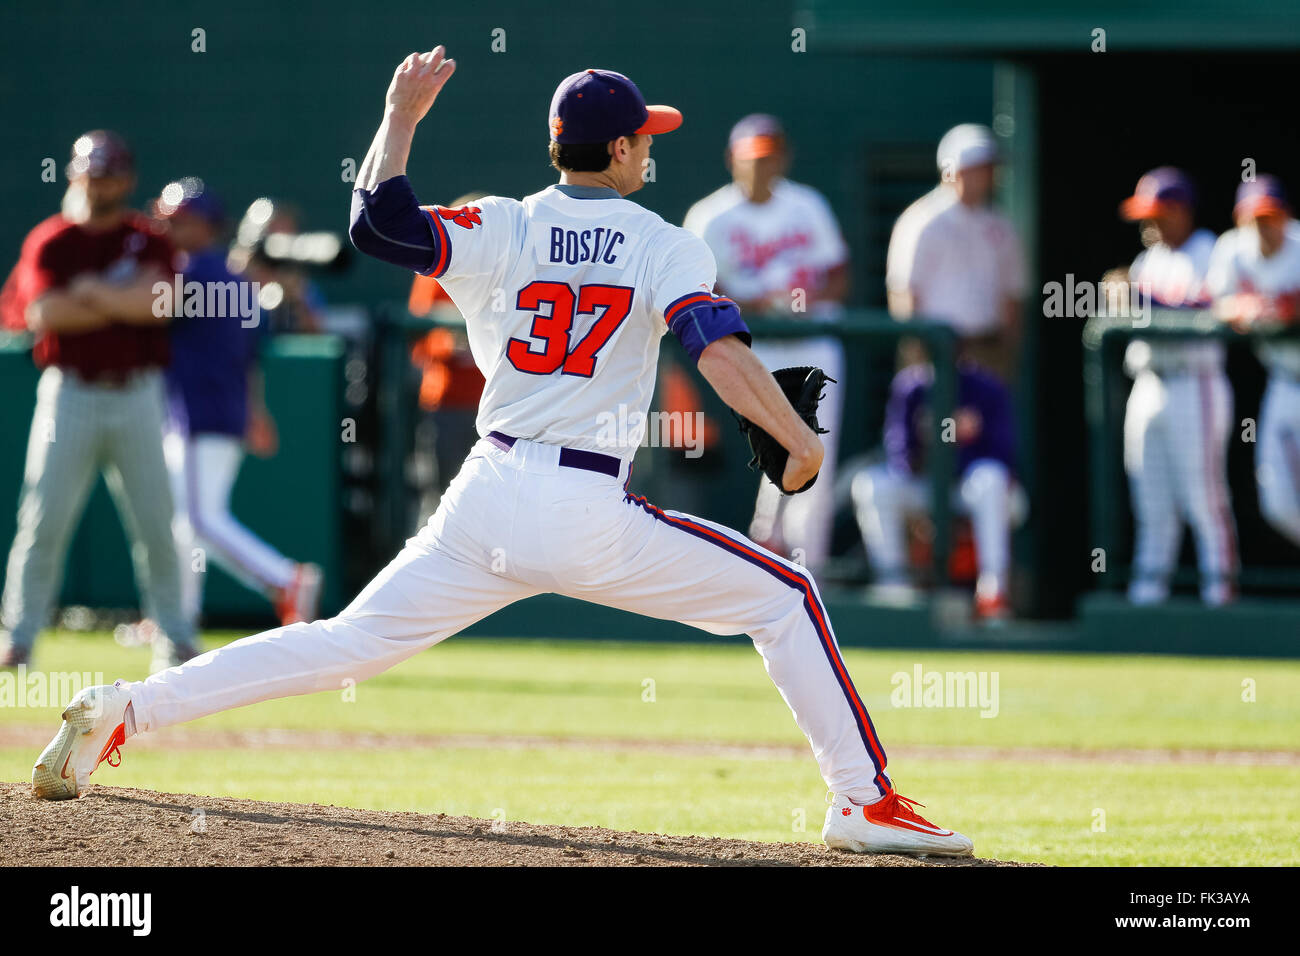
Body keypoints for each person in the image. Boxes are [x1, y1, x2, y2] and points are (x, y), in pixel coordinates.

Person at [31, 50, 972, 858]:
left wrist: (397, 119)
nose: (653, 146)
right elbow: (718, 351)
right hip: (585, 505)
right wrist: (796, 437)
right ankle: (861, 796)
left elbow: (377, 225)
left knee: (346, 643)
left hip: (485, 492)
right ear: (617, 149)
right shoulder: (661, 241)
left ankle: (125, 708)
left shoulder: (503, 223)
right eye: (645, 135)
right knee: (788, 597)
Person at [0, 131, 198, 669]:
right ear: (73, 174)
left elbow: (159, 306)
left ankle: (174, 636)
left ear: (128, 179)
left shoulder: (147, 238)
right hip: (70, 388)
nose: (100, 181)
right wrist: (119, 300)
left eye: (110, 173)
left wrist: (87, 292)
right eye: (92, 171)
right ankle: (18, 639)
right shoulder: (53, 239)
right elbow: (45, 313)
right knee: (43, 519)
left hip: (136, 390)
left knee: (155, 522)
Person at [152, 177, 323, 636]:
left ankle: (285, 579)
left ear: (205, 225)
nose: (168, 229)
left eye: (180, 221)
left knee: (198, 520)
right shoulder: (233, 280)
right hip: (221, 412)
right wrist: (254, 410)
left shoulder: (189, 272)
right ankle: (174, 618)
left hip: (196, 413)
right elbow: (249, 357)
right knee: (187, 527)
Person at [683, 115, 849, 574]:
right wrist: (752, 304)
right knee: (780, 443)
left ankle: (804, 562)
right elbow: (697, 291)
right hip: (756, 346)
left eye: (769, 157)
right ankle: (768, 543)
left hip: (814, 341)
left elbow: (838, 273)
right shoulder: (710, 215)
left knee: (817, 449)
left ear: (783, 158)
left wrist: (810, 301)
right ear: (733, 161)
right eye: (753, 158)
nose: (761, 167)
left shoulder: (807, 205)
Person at [1115, 168, 1237, 606]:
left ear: (1181, 211)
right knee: (1151, 506)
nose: (1150, 223)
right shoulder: (1148, 260)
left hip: (1195, 382)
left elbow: (1207, 306)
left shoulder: (1210, 250)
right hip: (1148, 383)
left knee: (1204, 499)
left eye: (1159, 214)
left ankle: (1220, 597)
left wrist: (1139, 298)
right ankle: (1147, 599)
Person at [851, 361, 1019, 621]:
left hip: (971, 489)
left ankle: (992, 593)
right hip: (924, 487)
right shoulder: (911, 387)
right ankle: (894, 590)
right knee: (872, 485)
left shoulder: (986, 386)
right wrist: (931, 437)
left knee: (991, 479)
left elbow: (1004, 456)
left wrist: (961, 442)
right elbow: (899, 456)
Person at [886, 124, 1026, 379]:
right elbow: (904, 292)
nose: (986, 174)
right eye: (977, 167)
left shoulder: (1001, 226)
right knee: (933, 419)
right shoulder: (922, 221)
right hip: (935, 352)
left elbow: (1012, 295)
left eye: (988, 167)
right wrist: (918, 353)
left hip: (987, 351)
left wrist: (1006, 352)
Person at [1206, 175, 1300, 548]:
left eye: (1271, 216)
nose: (1264, 226)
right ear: (1241, 219)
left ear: (1286, 217)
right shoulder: (1233, 250)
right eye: (1255, 218)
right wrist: (1239, 308)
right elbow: (1215, 302)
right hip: (1283, 380)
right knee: (1276, 502)